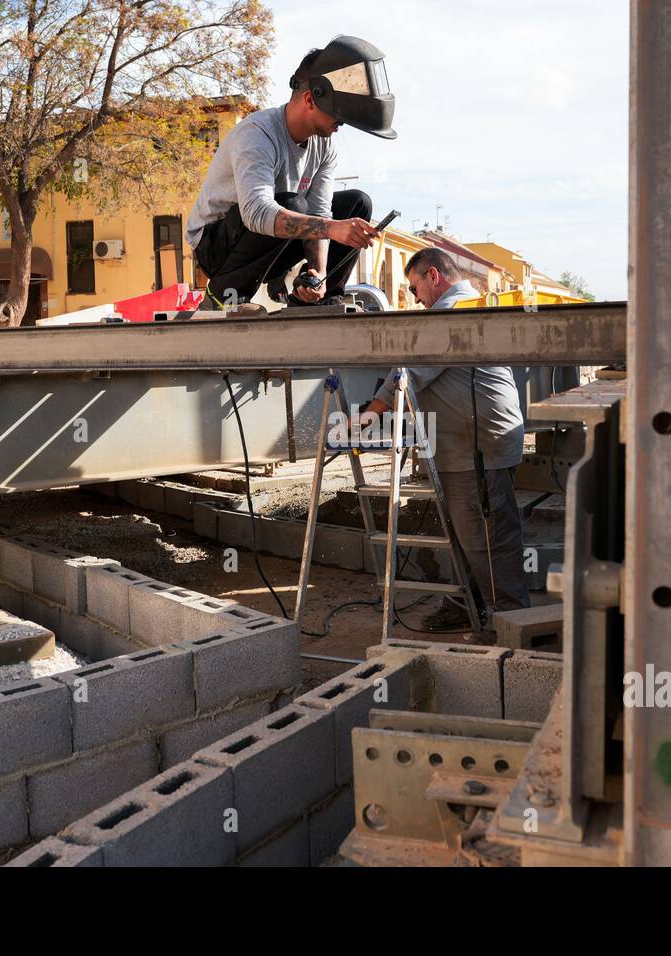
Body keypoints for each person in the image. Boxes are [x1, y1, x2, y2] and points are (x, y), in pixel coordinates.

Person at [361, 248, 530, 631]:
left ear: (433, 276)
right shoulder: (462, 307)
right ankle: (464, 604)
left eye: (414, 286)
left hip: (478, 448)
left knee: (487, 538)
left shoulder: (454, 313)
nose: (414, 296)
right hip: (468, 444)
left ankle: (512, 624)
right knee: (465, 531)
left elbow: (407, 372)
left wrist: (365, 419)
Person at [186, 36, 396, 308]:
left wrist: (317, 273)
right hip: (217, 249)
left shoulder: (324, 145)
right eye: (337, 115)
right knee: (291, 203)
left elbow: (320, 214)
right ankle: (224, 296)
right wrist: (333, 229)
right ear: (310, 99)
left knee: (357, 203)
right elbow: (257, 213)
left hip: (272, 245)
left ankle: (317, 298)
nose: (341, 123)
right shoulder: (257, 134)